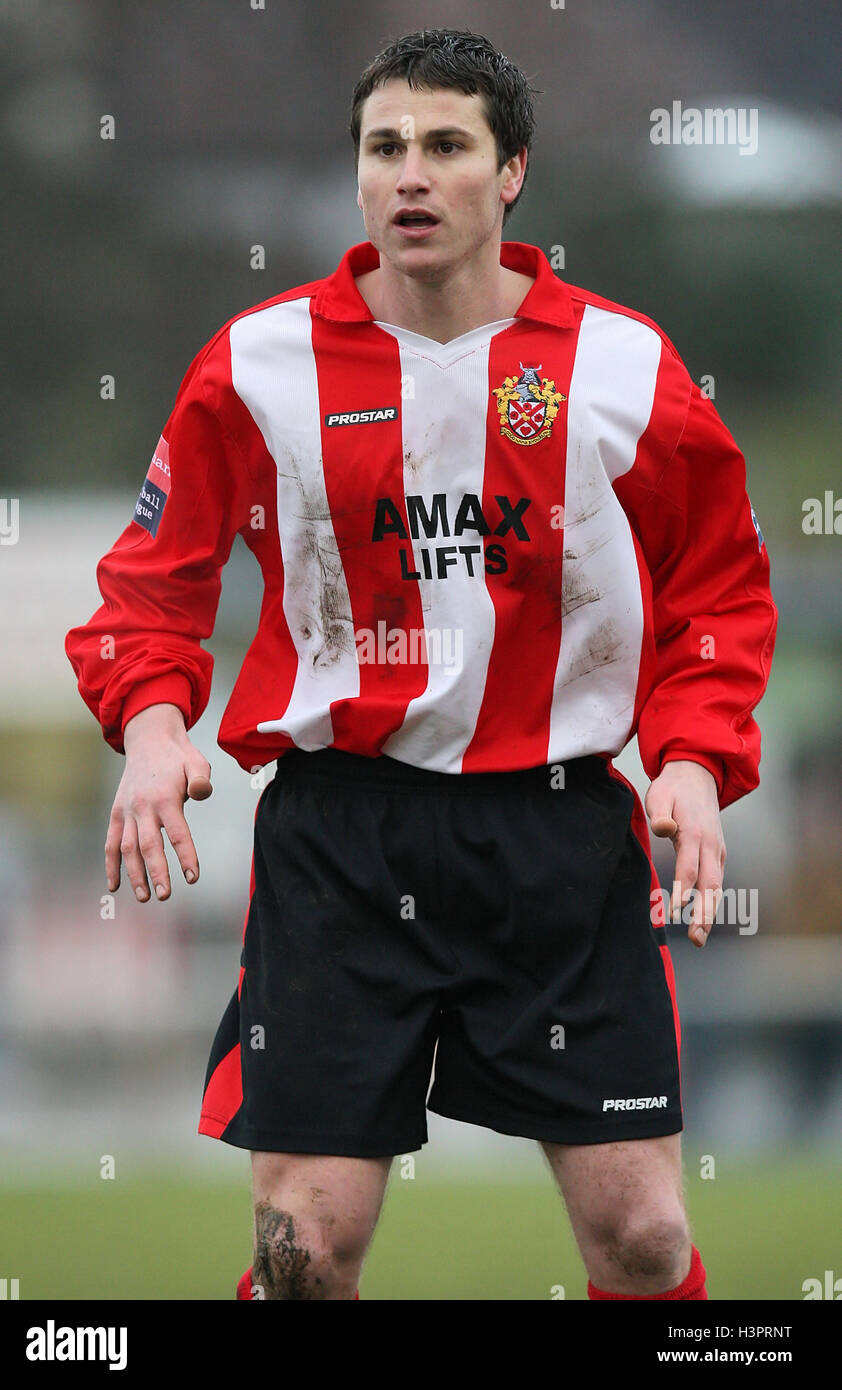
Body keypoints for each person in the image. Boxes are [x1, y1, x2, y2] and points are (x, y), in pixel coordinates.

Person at [65, 27, 778, 1301]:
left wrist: (688, 758)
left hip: (555, 838)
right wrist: (153, 726)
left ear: (509, 174)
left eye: (445, 146)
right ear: (355, 173)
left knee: (643, 1239)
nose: (410, 173)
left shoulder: (618, 367)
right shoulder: (257, 365)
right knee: (303, 1256)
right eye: (383, 147)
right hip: (343, 839)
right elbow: (152, 581)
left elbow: (717, 587)